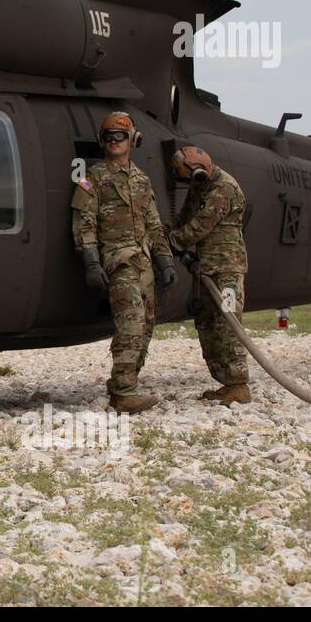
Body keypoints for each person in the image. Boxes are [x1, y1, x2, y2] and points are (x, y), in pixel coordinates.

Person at [70, 111, 177, 413]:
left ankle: (127, 382)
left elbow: (154, 225)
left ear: (132, 140)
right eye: (108, 137)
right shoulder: (93, 180)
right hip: (118, 262)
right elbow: (84, 222)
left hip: (144, 262)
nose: (114, 141)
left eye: (120, 136)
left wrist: (165, 261)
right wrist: (91, 261)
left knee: (145, 326)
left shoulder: (142, 180)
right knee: (131, 321)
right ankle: (123, 391)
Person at [167, 145, 251, 405]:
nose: (187, 182)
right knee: (207, 323)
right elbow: (184, 217)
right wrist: (161, 229)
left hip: (226, 268)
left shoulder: (223, 188)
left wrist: (171, 242)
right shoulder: (199, 186)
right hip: (206, 268)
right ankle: (224, 381)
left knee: (227, 323)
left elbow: (200, 225)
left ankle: (238, 385)